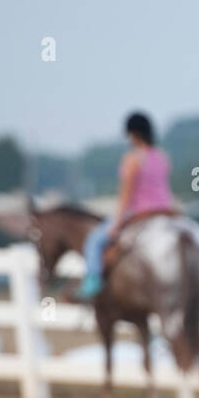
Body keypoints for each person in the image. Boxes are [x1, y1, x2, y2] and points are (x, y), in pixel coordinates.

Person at [75, 112, 176, 300]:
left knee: (95, 239)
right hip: (164, 211)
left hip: (141, 212)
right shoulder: (162, 157)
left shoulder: (132, 159)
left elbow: (126, 197)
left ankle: (93, 280)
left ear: (133, 134)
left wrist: (116, 224)